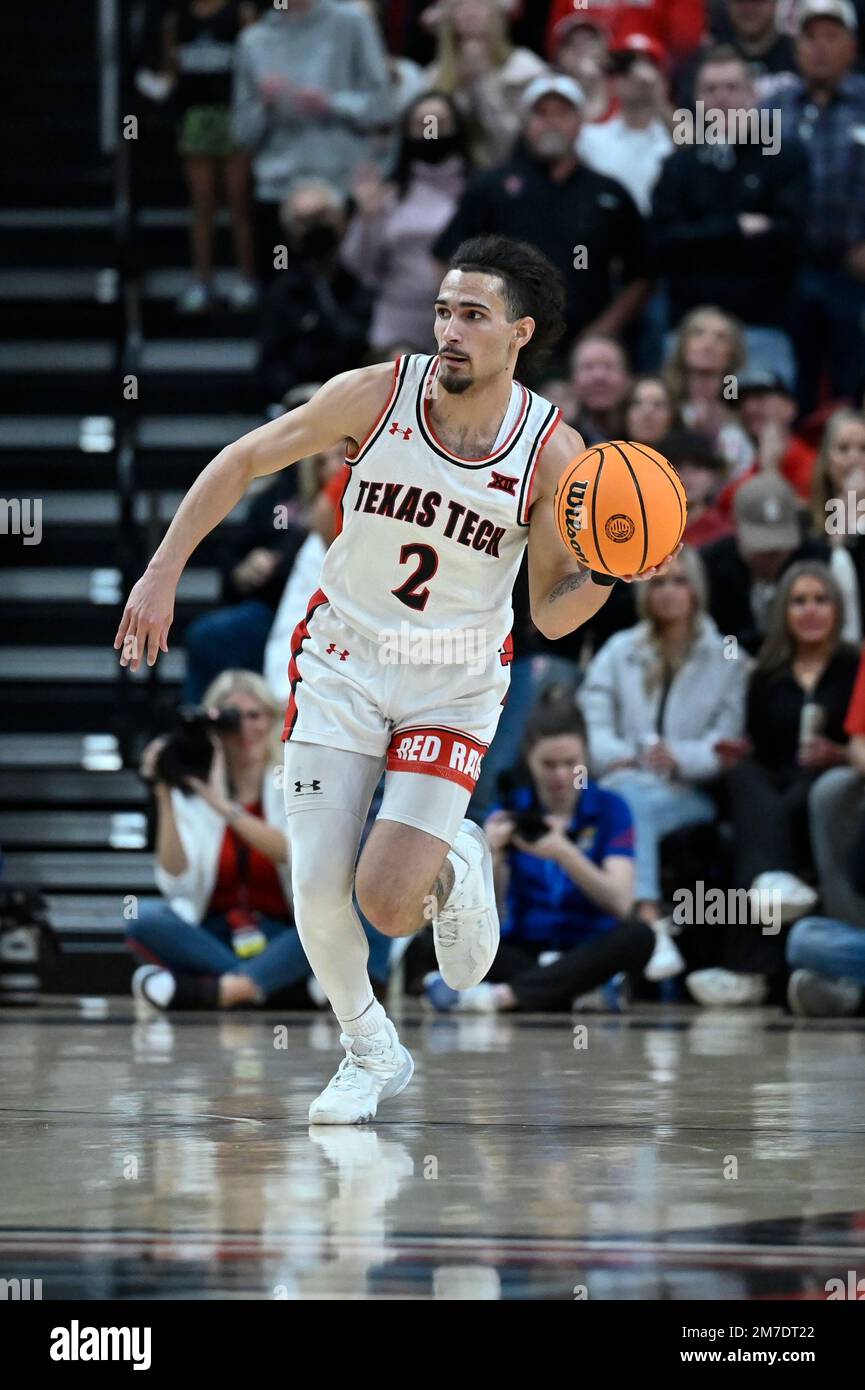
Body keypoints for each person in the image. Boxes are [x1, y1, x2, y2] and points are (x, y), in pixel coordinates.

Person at [115, 233, 678, 1125]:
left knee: (384, 902)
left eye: (472, 316)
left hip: (452, 681)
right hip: (342, 660)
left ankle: (454, 862)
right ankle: (369, 1048)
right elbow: (241, 460)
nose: (449, 329)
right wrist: (161, 571)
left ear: (519, 333)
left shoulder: (552, 452)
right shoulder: (377, 393)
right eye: (443, 310)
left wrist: (610, 568)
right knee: (314, 886)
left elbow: (549, 611)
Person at [129, 671, 391, 1009]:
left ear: (272, 720)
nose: (245, 729)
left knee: (345, 919)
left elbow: (294, 854)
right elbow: (175, 879)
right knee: (143, 916)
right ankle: (276, 988)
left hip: (284, 934)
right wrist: (163, 791)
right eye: (231, 719)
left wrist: (226, 809)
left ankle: (218, 990)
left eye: (255, 716)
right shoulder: (192, 790)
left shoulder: (294, 779)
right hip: (215, 933)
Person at [424, 697, 660, 1014]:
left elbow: (620, 902)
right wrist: (492, 855)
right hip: (527, 946)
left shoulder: (611, 808)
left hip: (589, 946)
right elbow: (486, 913)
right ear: (529, 760)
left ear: (586, 756)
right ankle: (576, 992)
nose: (561, 775)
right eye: (549, 765)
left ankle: (505, 996)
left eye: (571, 763)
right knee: (435, 941)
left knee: (639, 935)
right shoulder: (511, 810)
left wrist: (564, 853)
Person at [702, 563, 859, 1003]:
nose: (810, 611)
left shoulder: (853, 666)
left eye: (820, 600)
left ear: (837, 608)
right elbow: (760, 745)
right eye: (799, 601)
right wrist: (740, 752)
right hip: (777, 777)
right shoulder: (767, 673)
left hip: (832, 779)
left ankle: (751, 966)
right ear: (783, 612)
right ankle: (771, 882)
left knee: (795, 801)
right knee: (742, 777)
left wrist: (840, 753)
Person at [579, 546, 749, 926]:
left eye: (680, 582)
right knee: (628, 797)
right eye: (658, 583)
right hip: (624, 781)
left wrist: (680, 757)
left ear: (696, 590)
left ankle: (644, 916)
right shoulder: (619, 651)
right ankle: (644, 922)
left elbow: (726, 743)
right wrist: (633, 754)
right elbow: (592, 727)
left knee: (627, 803)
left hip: (691, 791)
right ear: (644, 591)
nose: (668, 592)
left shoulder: (727, 657)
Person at [433, 75, 650, 348]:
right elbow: (447, 257)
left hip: (585, 348)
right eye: (541, 113)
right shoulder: (492, 188)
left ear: (580, 122)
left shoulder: (608, 193)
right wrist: (470, 321)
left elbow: (642, 272)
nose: (552, 122)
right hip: (504, 346)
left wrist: (603, 331)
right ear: (526, 124)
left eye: (562, 113)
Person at [651, 47, 808, 388]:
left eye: (732, 87)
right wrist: (737, 227)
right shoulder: (679, 165)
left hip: (763, 324)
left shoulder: (785, 157)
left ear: (753, 94)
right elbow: (662, 245)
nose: (722, 98)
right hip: (689, 328)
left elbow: (790, 240)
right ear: (695, 99)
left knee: (765, 430)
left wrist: (701, 238)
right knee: (679, 433)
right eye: (710, 89)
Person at [231, 0, 393, 281]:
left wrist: (332, 103)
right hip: (279, 192)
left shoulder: (352, 24)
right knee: (282, 302)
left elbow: (383, 108)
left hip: (343, 190)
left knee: (347, 304)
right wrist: (264, 106)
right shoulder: (252, 42)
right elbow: (241, 134)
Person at [772, 0, 865, 412]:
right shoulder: (773, 109)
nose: (821, 48)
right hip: (790, 270)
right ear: (796, 47)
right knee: (796, 386)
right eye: (810, 37)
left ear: (853, 45)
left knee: (852, 381)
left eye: (832, 35)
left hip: (856, 268)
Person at [341, 92, 470, 355]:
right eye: (422, 124)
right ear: (407, 133)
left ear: (457, 128)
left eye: (440, 123)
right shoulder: (388, 194)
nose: (431, 132)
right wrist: (367, 219)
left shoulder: (477, 189)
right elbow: (359, 266)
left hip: (465, 323)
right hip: (398, 324)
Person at [162, 0, 258, 314]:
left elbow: (255, 65)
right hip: (196, 117)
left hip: (234, 115)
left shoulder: (240, 14)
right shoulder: (176, 19)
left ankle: (246, 280)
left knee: (238, 201)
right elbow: (170, 71)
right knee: (203, 205)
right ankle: (202, 282)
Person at [257, 181, 372, 404]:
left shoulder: (366, 281)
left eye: (322, 217)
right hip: (301, 404)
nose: (316, 228)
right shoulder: (282, 292)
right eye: (304, 222)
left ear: (343, 220)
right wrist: (294, 392)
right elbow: (269, 365)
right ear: (291, 232)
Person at [702, 473, 829, 655]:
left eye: (779, 547)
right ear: (736, 527)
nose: (771, 554)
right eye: (760, 548)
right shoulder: (709, 566)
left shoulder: (820, 560)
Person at [425, 0, 547, 167]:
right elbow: (426, 138)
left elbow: (517, 138)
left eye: (480, 5)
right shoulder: (434, 76)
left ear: (495, 15)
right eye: (461, 6)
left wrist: (483, 82)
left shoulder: (524, 68)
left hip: (514, 169)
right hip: (450, 176)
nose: (470, 12)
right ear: (450, 17)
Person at [579, 33, 674, 217]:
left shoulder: (672, 135)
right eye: (625, 69)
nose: (637, 76)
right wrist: (598, 88)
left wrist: (657, 98)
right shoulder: (593, 137)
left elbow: (696, 150)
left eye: (650, 65)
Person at [663, 305, 754, 476]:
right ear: (683, 346)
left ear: (732, 353)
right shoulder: (661, 401)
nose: (709, 343)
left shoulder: (744, 413)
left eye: (720, 337)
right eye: (698, 333)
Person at [809, 409, 865, 641]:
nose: (854, 459)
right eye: (843, 449)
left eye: (863, 449)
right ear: (826, 460)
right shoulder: (807, 523)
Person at [659, 429, 734, 548]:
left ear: (713, 476)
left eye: (698, 466)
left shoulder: (724, 532)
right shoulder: (651, 528)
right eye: (678, 466)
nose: (688, 476)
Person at [567, 336, 631, 446]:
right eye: (588, 367)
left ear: (626, 379)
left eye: (609, 366)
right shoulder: (557, 438)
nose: (599, 376)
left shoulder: (646, 438)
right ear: (572, 381)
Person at [623, 373, 680, 445]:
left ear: (672, 414)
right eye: (637, 403)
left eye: (658, 405)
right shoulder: (607, 453)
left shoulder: (691, 454)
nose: (647, 412)